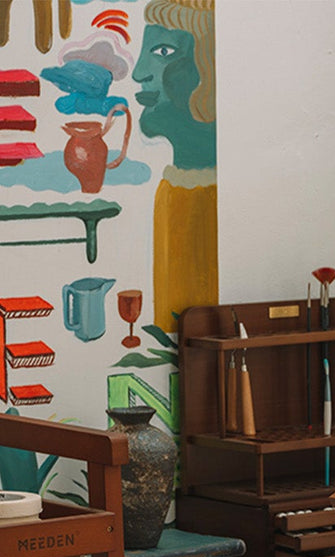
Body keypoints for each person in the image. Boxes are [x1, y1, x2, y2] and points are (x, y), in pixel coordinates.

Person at [131, 0, 216, 330]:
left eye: (163, 51)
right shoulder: (173, 190)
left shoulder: (208, 199)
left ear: (208, 67)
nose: (138, 72)